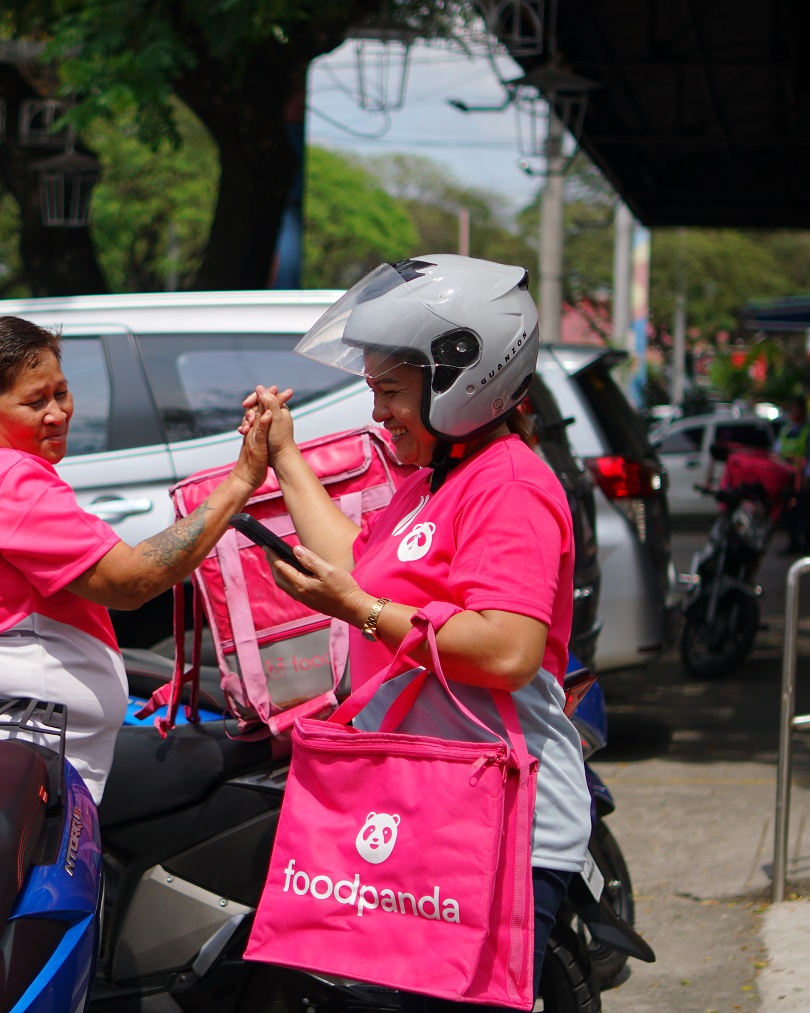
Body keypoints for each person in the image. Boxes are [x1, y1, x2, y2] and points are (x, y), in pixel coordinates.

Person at [247, 256, 589, 1007]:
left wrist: (361, 612)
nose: (379, 413)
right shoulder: (435, 478)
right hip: (431, 809)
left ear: (463, 377)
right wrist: (285, 458)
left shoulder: (509, 485)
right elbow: (357, 566)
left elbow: (507, 648)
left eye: (391, 391)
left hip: (500, 826)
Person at [0, 315, 276, 801]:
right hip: (17, 753)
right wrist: (242, 479)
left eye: (61, 393)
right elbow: (132, 581)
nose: (57, 413)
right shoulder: (9, 478)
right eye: (35, 402)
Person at [776, 396, 810, 554]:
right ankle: (794, 543)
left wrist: (808, 476)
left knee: (805, 512)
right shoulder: (787, 429)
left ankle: (808, 544)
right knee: (789, 512)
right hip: (787, 478)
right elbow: (777, 451)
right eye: (793, 409)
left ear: (804, 411)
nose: (794, 413)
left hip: (802, 479)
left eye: (797, 409)